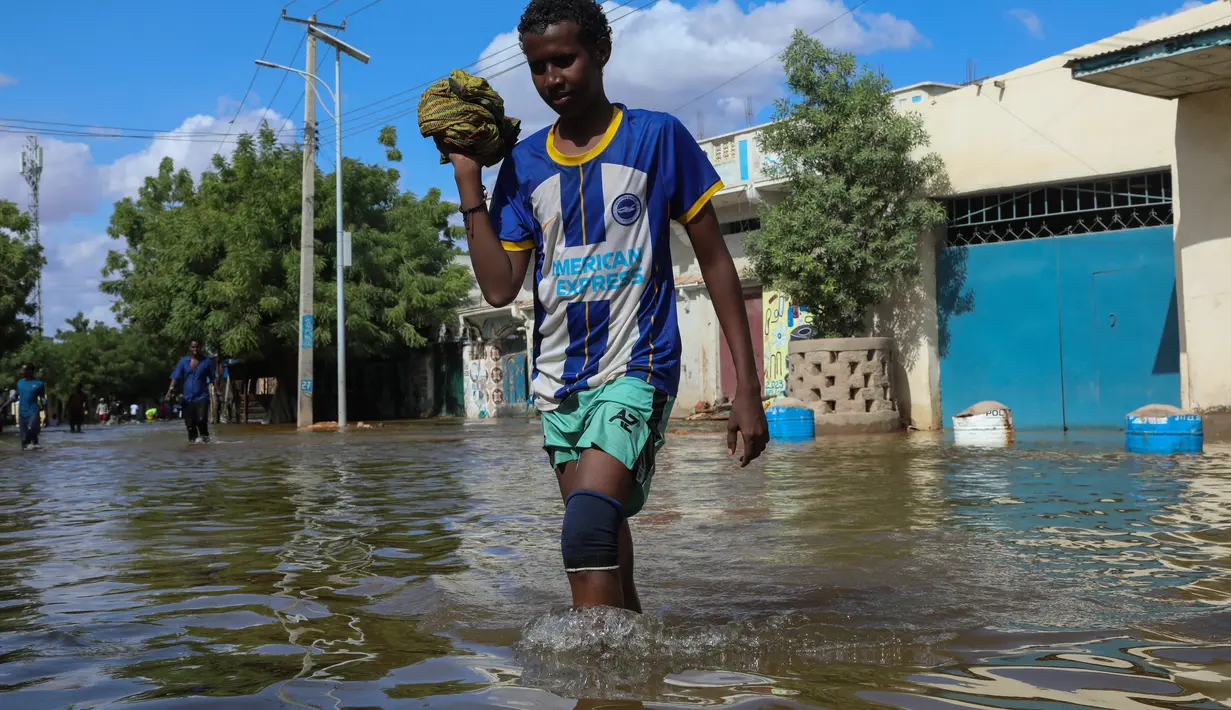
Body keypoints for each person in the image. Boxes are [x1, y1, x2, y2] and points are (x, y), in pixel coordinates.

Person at [445, 0, 768, 612]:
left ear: (601, 52)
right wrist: (470, 185)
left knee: (586, 528)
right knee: (607, 540)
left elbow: (717, 263)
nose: (552, 80)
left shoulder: (656, 138)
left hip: (637, 367)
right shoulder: (524, 165)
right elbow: (498, 289)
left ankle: (595, 684)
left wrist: (748, 389)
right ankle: (632, 677)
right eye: (539, 68)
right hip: (559, 383)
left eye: (564, 60)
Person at [166, 339, 215, 443]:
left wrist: (218, 391)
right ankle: (193, 446)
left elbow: (213, 378)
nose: (195, 349)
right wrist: (169, 391)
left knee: (201, 420)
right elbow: (175, 377)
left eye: (197, 347)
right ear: (189, 348)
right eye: (193, 347)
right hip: (187, 398)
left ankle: (206, 441)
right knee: (190, 425)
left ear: (200, 348)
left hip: (202, 396)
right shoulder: (183, 362)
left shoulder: (207, 362)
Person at [15, 363, 46, 451]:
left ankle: (35, 444)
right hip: (22, 413)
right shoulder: (19, 383)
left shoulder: (39, 383)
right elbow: (15, 396)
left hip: (33, 411)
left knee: (31, 428)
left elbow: (42, 398)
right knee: (24, 440)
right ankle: (28, 457)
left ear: (30, 371)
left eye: (23, 370)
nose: (21, 371)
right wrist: (2, 406)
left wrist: (44, 410)